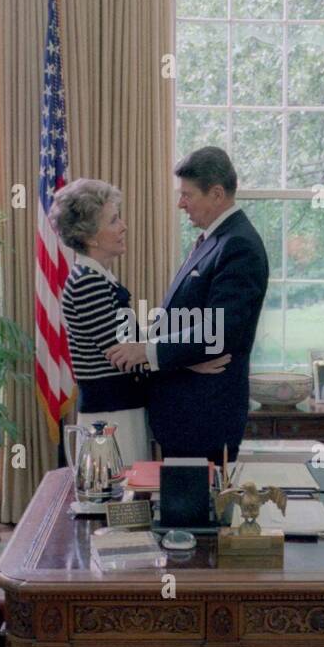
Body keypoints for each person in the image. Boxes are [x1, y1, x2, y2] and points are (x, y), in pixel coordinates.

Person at [105, 147, 268, 462]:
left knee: (198, 511)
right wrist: (181, 358)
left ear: (217, 194)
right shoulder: (215, 240)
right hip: (187, 416)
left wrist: (147, 352)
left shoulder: (239, 245)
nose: (180, 204)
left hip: (203, 421)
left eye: (187, 195)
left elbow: (219, 329)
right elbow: (183, 322)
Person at [51, 179, 228, 464]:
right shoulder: (88, 283)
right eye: (113, 220)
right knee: (119, 502)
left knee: (129, 499)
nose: (123, 227)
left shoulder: (98, 278)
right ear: (90, 237)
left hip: (122, 409)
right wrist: (189, 362)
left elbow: (131, 339)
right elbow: (124, 354)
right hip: (110, 417)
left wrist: (182, 344)